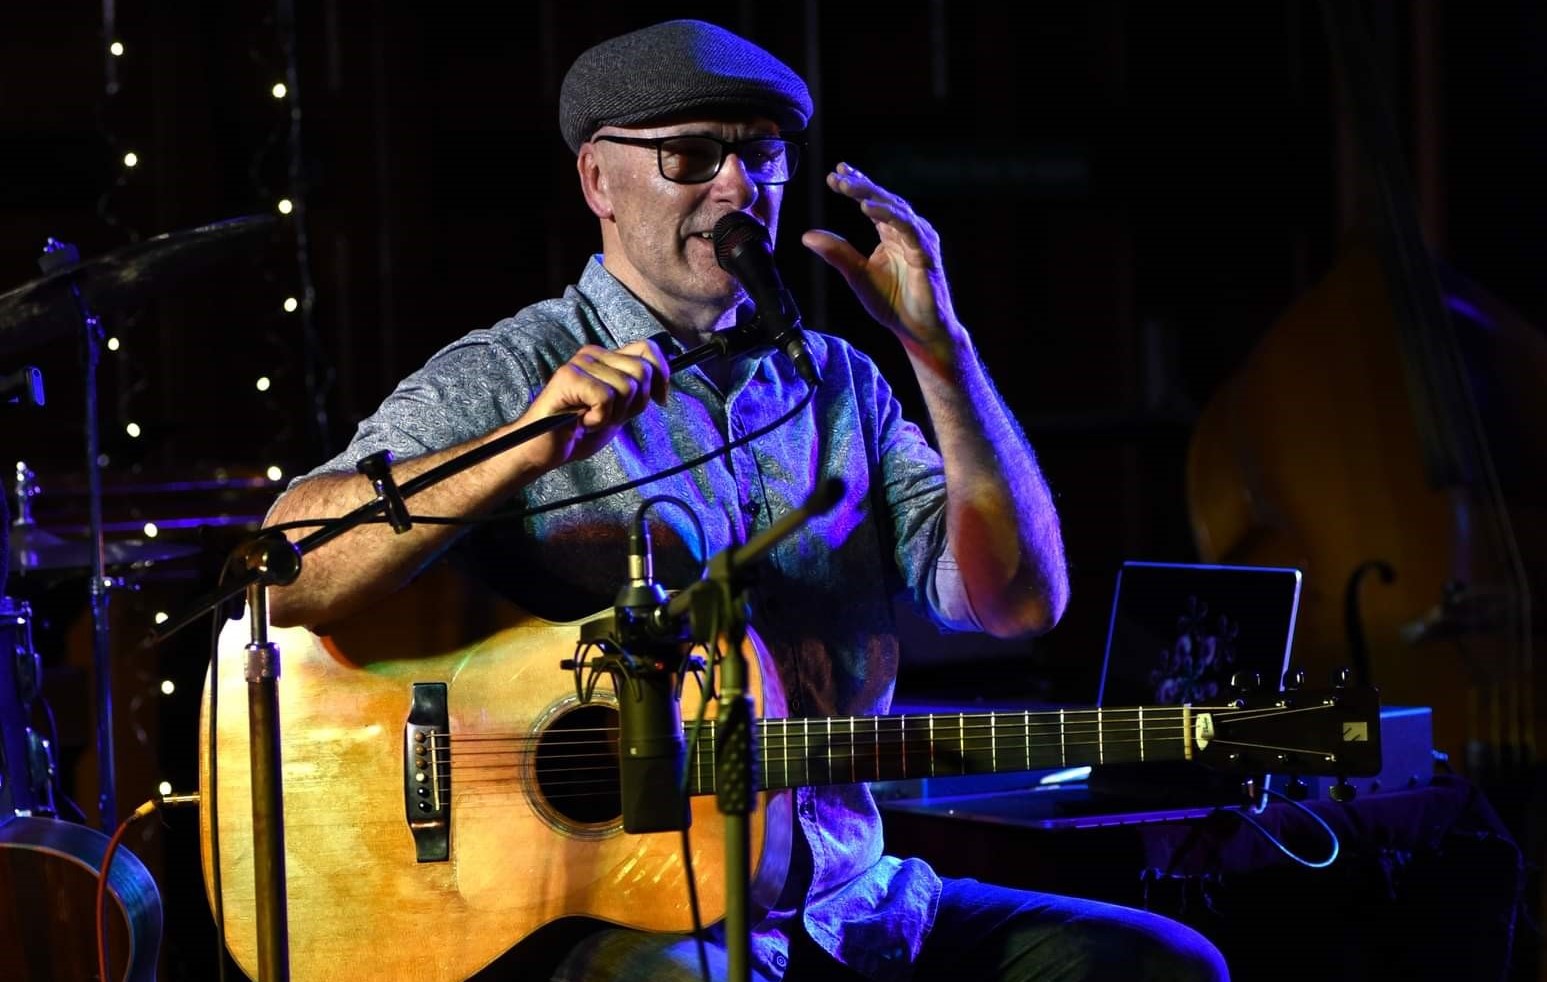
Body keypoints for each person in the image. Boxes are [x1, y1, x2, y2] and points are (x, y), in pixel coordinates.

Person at [263, 17, 1229, 982]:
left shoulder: (839, 384)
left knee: (1160, 963)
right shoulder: (512, 368)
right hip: (627, 915)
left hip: (854, 904)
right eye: (690, 157)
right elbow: (284, 572)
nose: (736, 189)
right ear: (598, 180)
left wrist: (943, 355)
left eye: (759, 157)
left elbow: (1020, 602)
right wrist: (518, 452)